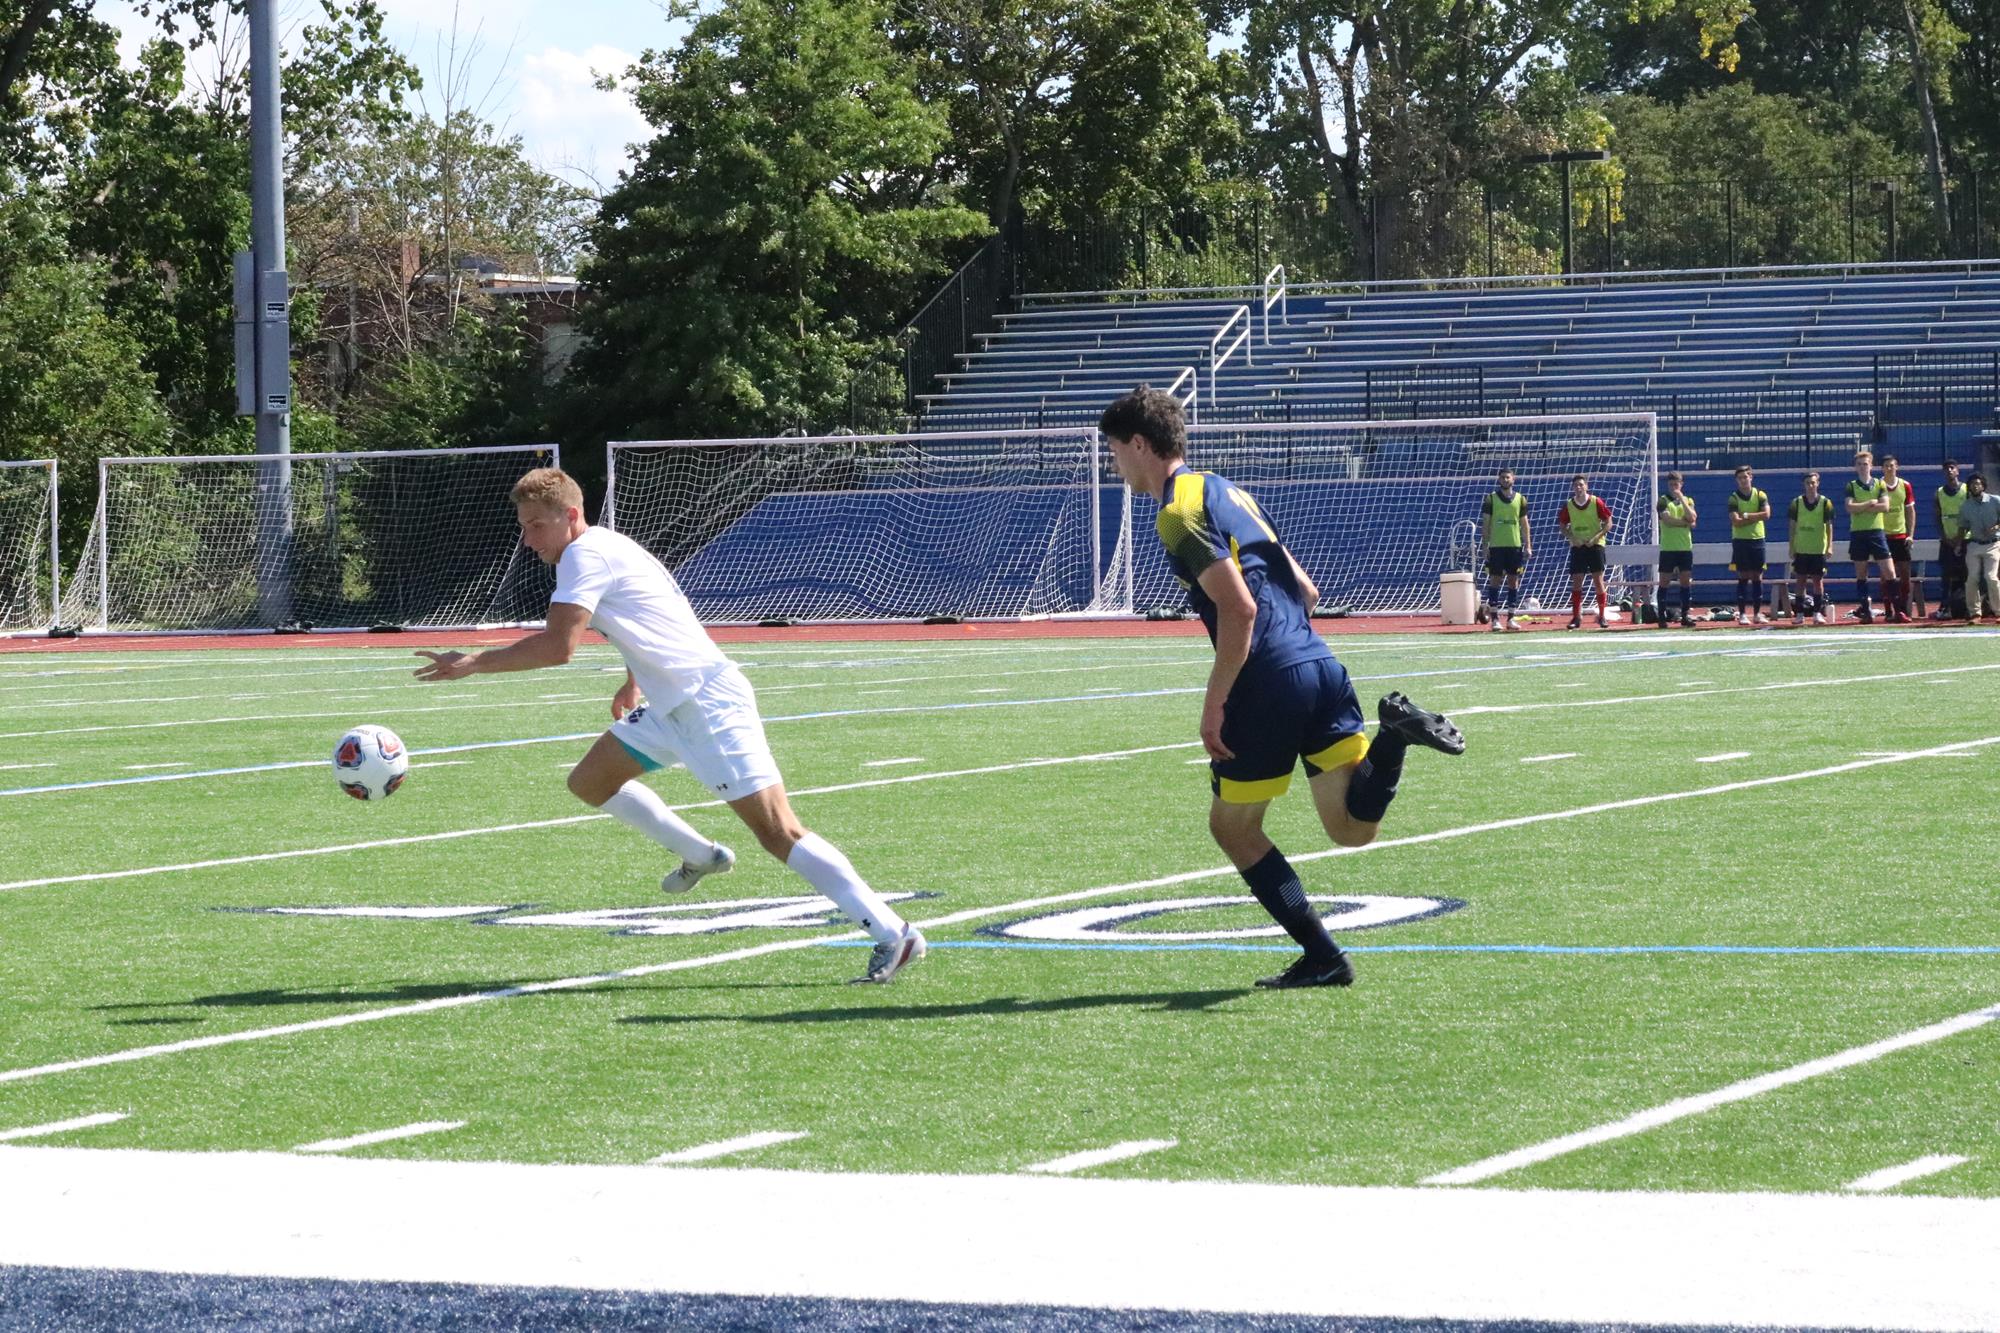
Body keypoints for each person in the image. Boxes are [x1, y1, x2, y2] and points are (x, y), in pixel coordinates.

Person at [412, 467, 927, 984]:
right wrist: (633, 681)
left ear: (570, 515)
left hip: (705, 705)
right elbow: (650, 618)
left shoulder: (583, 555)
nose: (528, 540)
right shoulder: (606, 545)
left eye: (536, 526)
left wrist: (474, 662)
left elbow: (558, 647)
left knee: (778, 831)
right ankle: (701, 855)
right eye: (523, 527)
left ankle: (893, 932)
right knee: (590, 781)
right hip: (670, 706)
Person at [1099, 387, 1464, 990]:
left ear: (1139, 444)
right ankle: (1393, 738)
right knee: (1351, 829)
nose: (1114, 465)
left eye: (1114, 451)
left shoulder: (1176, 513)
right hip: (1319, 662)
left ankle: (1324, 957)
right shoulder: (1227, 490)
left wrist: (1216, 701)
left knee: (1233, 829)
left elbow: (1239, 609)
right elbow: (1307, 590)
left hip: (1265, 678)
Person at [1845, 451, 1894, 625]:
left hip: (1876, 532)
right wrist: (1870, 503)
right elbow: (1850, 508)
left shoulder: (1880, 484)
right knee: (1861, 574)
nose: (1862, 467)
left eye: (1865, 464)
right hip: (1858, 533)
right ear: (1855, 467)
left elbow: (1885, 507)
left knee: (1889, 572)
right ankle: (1866, 611)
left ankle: (1894, 610)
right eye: (1859, 464)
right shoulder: (1851, 485)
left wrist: (1862, 507)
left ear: (1871, 465)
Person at [1558, 475, 1613, 629]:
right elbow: (1562, 526)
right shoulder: (1569, 505)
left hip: (1595, 546)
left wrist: (1596, 537)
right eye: (1576, 485)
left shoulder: (1596, 502)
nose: (1578, 487)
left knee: (1598, 581)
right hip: (1578, 547)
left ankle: (1602, 616)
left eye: (1581, 485)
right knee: (1576, 581)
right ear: (1572, 488)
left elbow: (1609, 522)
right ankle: (1576, 617)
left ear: (1586, 486)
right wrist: (1572, 538)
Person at [1480, 469, 1531, 632]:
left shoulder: (1520, 499)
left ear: (1513, 479)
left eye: (1508, 477)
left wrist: (1528, 545)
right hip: (1496, 546)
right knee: (1495, 580)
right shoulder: (1491, 499)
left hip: (1514, 546)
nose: (1505, 480)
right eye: (1502, 477)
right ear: (1498, 480)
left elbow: (1524, 524)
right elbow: (1486, 524)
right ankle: (1495, 619)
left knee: (1513, 581)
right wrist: (1485, 545)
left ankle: (1511, 618)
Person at [1726, 465, 1772, 626]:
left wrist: (1745, 515)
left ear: (1751, 477)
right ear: (1736, 480)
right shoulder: (1733, 498)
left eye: (1745, 477)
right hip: (1740, 541)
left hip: (1757, 539)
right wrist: (1754, 517)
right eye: (1740, 478)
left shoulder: (1760, 495)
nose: (1743, 480)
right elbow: (1736, 522)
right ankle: (1743, 614)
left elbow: (1766, 515)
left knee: (1758, 576)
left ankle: (1757, 613)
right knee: (1743, 576)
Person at [1788, 472, 1835, 626]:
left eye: (1813, 482)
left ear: (1818, 483)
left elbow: (1829, 526)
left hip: (1818, 549)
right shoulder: (1796, 503)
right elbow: (1792, 526)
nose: (1810, 485)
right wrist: (1792, 547)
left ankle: (1817, 613)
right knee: (1800, 581)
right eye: (1808, 483)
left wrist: (1829, 546)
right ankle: (1800, 614)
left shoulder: (1825, 503)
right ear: (1804, 484)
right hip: (1801, 548)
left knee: (1817, 582)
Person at [1655, 472, 1696, 627]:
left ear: (1681, 484)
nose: (1674, 487)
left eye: (1676, 484)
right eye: (1671, 484)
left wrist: (1682, 499)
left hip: (1685, 547)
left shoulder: (1688, 500)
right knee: (1664, 582)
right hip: (1668, 548)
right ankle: (1661, 617)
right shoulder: (1663, 501)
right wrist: (1685, 523)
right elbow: (1667, 520)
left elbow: (1692, 517)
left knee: (1685, 581)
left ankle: (1685, 615)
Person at [1879, 455, 1917, 623]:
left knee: (1905, 575)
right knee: (1886, 576)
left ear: (1897, 467)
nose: (1889, 468)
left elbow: (1910, 511)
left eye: (1892, 465)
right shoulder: (1877, 486)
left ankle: (1903, 610)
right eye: (1886, 466)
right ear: (1882, 468)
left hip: (1901, 536)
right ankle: (1888, 610)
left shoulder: (1905, 485)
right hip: (1883, 536)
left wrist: (1910, 534)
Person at [1963, 473, 2000, 624]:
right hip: (1974, 544)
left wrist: (1995, 527)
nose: (1975, 486)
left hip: (1993, 544)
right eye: (1972, 484)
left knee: (1991, 577)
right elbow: (1963, 526)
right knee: (1972, 578)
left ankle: (1998, 611)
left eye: (1978, 483)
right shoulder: (1966, 506)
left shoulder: (1995, 500)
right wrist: (1958, 543)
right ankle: (1975, 613)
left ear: (1983, 486)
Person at [1935, 460, 1969, 621]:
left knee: (1967, 576)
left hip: (1966, 540)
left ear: (1957, 471)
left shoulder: (1966, 490)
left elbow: (1970, 516)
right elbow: (1937, 517)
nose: (1949, 470)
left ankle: (1969, 607)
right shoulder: (1939, 492)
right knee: (1946, 577)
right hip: (1947, 542)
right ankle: (1945, 607)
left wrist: (1960, 539)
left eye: (1952, 468)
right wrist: (1945, 538)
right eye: (1946, 468)